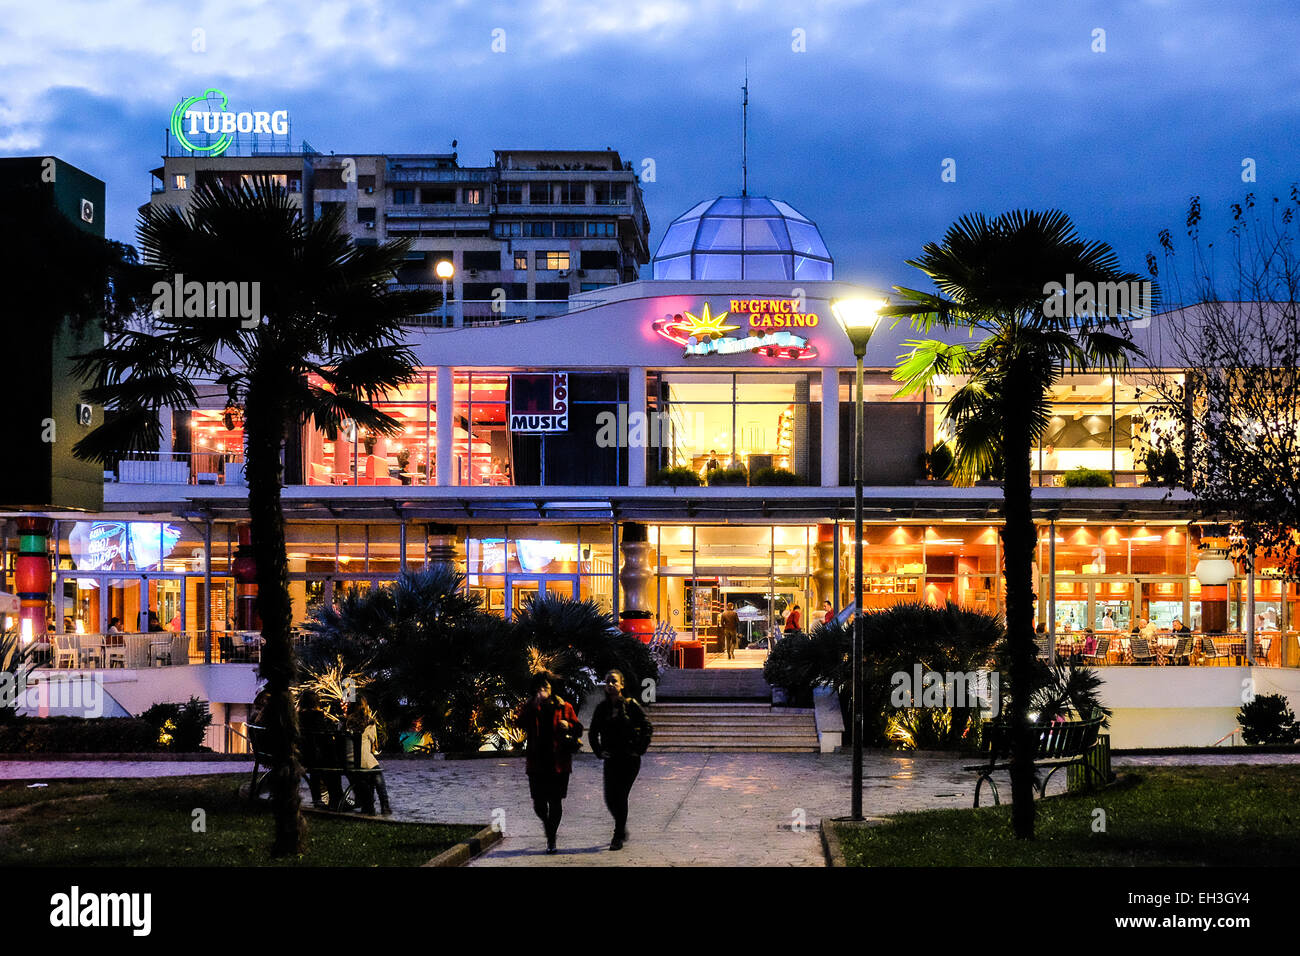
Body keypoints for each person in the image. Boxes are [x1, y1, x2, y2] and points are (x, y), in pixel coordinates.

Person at [515, 671, 582, 854]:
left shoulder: (564, 707)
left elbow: (578, 729)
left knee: (555, 802)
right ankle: (548, 826)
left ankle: (551, 838)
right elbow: (519, 723)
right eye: (539, 686)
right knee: (538, 804)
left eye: (546, 686)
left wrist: (568, 726)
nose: (542, 689)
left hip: (558, 762)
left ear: (552, 688)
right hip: (536, 762)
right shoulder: (530, 706)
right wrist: (532, 706)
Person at [588, 670, 652, 851]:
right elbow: (593, 733)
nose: (610, 685)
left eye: (614, 681)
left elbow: (647, 727)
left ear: (621, 685)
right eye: (608, 682)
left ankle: (617, 835)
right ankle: (621, 826)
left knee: (621, 795)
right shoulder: (602, 708)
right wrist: (599, 751)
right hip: (612, 758)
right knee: (610, 798)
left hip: (629, 759)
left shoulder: (631, 705)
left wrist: (639, 749)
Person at [298, 689, 344, 809]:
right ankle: (336, 798)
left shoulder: (298, 717)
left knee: (317, 768)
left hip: (303, 757)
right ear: (316, 703)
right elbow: (324, 738)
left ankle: (317, 798)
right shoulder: (317, 717)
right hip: (315, 758)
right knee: (333, 765)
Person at [347, 698, 391, 815]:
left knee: (371, 769)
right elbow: (373, 745)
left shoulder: (344, 722)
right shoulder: (369, 723)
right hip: (361, 761)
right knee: (377, 773)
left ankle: (368, 805)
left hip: (347, 761)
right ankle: (385, 804)